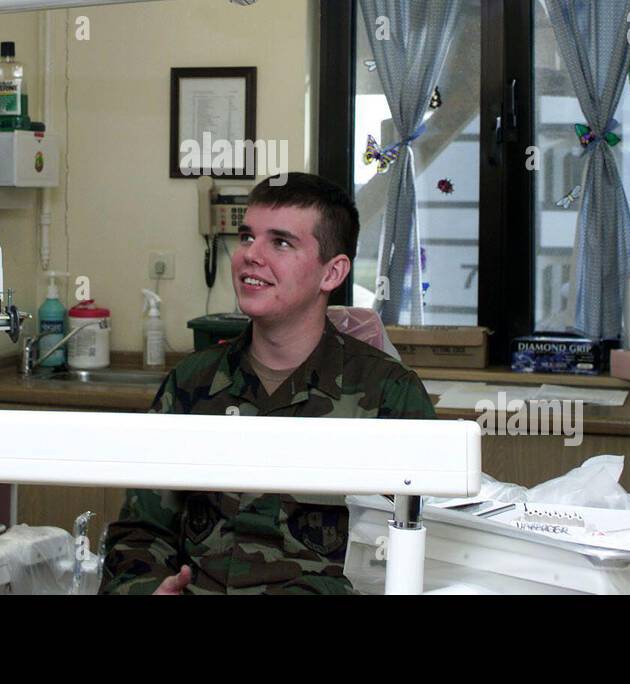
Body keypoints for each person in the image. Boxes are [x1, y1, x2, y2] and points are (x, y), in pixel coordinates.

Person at [99, 172, 436, 594]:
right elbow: (139, 532)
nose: (249, 256)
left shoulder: (389, 395)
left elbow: (426, 548)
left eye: (280, 242)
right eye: (246, 237)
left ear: (331, 273)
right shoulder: (192, 384)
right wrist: (147, 590)